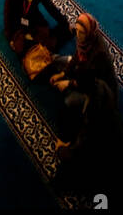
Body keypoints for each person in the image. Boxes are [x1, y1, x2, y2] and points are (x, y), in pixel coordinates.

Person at [50, 12, 118, 153]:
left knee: (69, 100)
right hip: (84, 74)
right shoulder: (86, 41)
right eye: (77, 31)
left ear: (88, 33)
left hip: (99, 91)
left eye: (81, 33)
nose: (78, 35)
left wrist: (67, 83)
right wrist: (63, 74)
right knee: (58, 62)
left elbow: (88, 82)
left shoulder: (99, 54)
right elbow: (77, 56)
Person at [4, 0, 70, 58]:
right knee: (20, 49)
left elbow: (50, 7)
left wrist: (65, 22)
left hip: (33, 20)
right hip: (17, 23)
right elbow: (7, 14)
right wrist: (10, 37)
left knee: (47, 41)